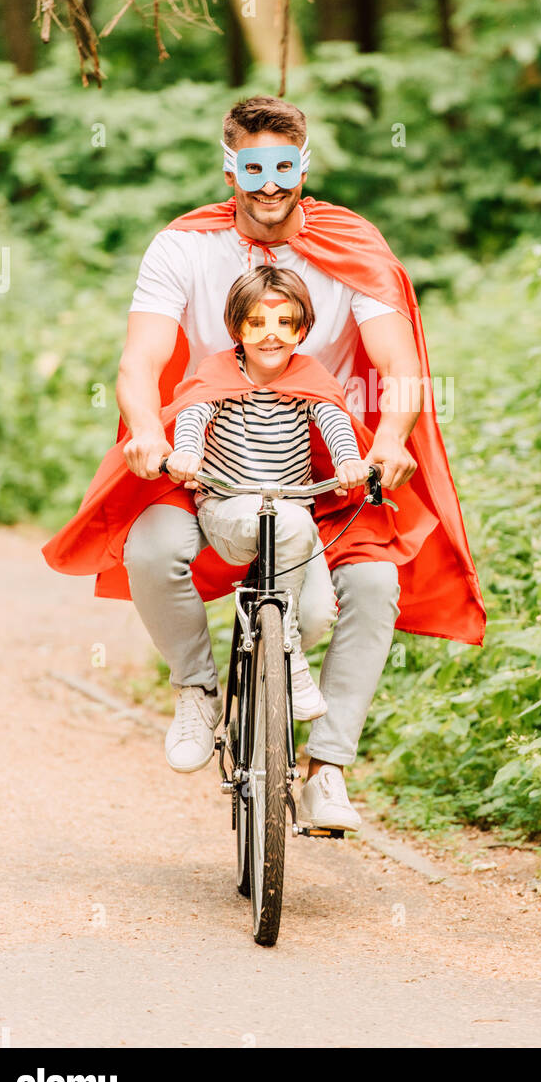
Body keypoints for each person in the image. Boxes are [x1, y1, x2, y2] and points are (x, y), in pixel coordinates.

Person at [43, 94, 486, 833]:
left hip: (322, 460)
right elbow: (140, 359)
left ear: (304, 165)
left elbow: (398, 363)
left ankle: (328, 768)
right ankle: (195, 689)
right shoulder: (182, 247)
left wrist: (390, 438)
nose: (270, 185)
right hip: (207, 452)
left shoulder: (351, 246)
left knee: (373, 587)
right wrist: (149, 430)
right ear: (230, 168)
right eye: (254, 168)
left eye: (284, 167)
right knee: (153, 551)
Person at [164, 265, 370, 785]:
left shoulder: (309, 377)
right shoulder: (217, 373)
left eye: (284, 322)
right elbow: (192, 413)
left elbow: (334, 421)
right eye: (255, 323)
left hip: (293, 511)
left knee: (321, 611)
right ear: (237, 329)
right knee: (289, 527)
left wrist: (349, 462)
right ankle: (288, 661)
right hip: (230, 510)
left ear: (302, 329)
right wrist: (186, 451)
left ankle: (280, 652)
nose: (270, 333)